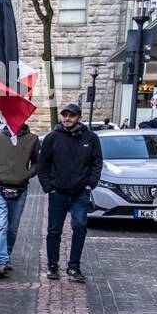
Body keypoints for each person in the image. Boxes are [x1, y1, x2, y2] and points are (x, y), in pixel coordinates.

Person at [38, 102, 102, 282]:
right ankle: (52, 265)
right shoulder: (52, 137)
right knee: (54, 230)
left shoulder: (91, 138)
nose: (67, 118)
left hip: (81, 192)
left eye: (71, 115)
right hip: (58, 192)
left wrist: (91, 184)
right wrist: (48, 187)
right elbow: (42, 165)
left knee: (80, 227)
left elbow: (97, 163)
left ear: (79, 118)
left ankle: (74, 267)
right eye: (64, 115)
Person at [0, 118, 40, 278]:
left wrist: (28, 173)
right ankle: (2, 261)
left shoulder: (32, 139)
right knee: (1, 225)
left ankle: (5, 257)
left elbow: (36, 162)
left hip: (20, 188)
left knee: (12, 227)